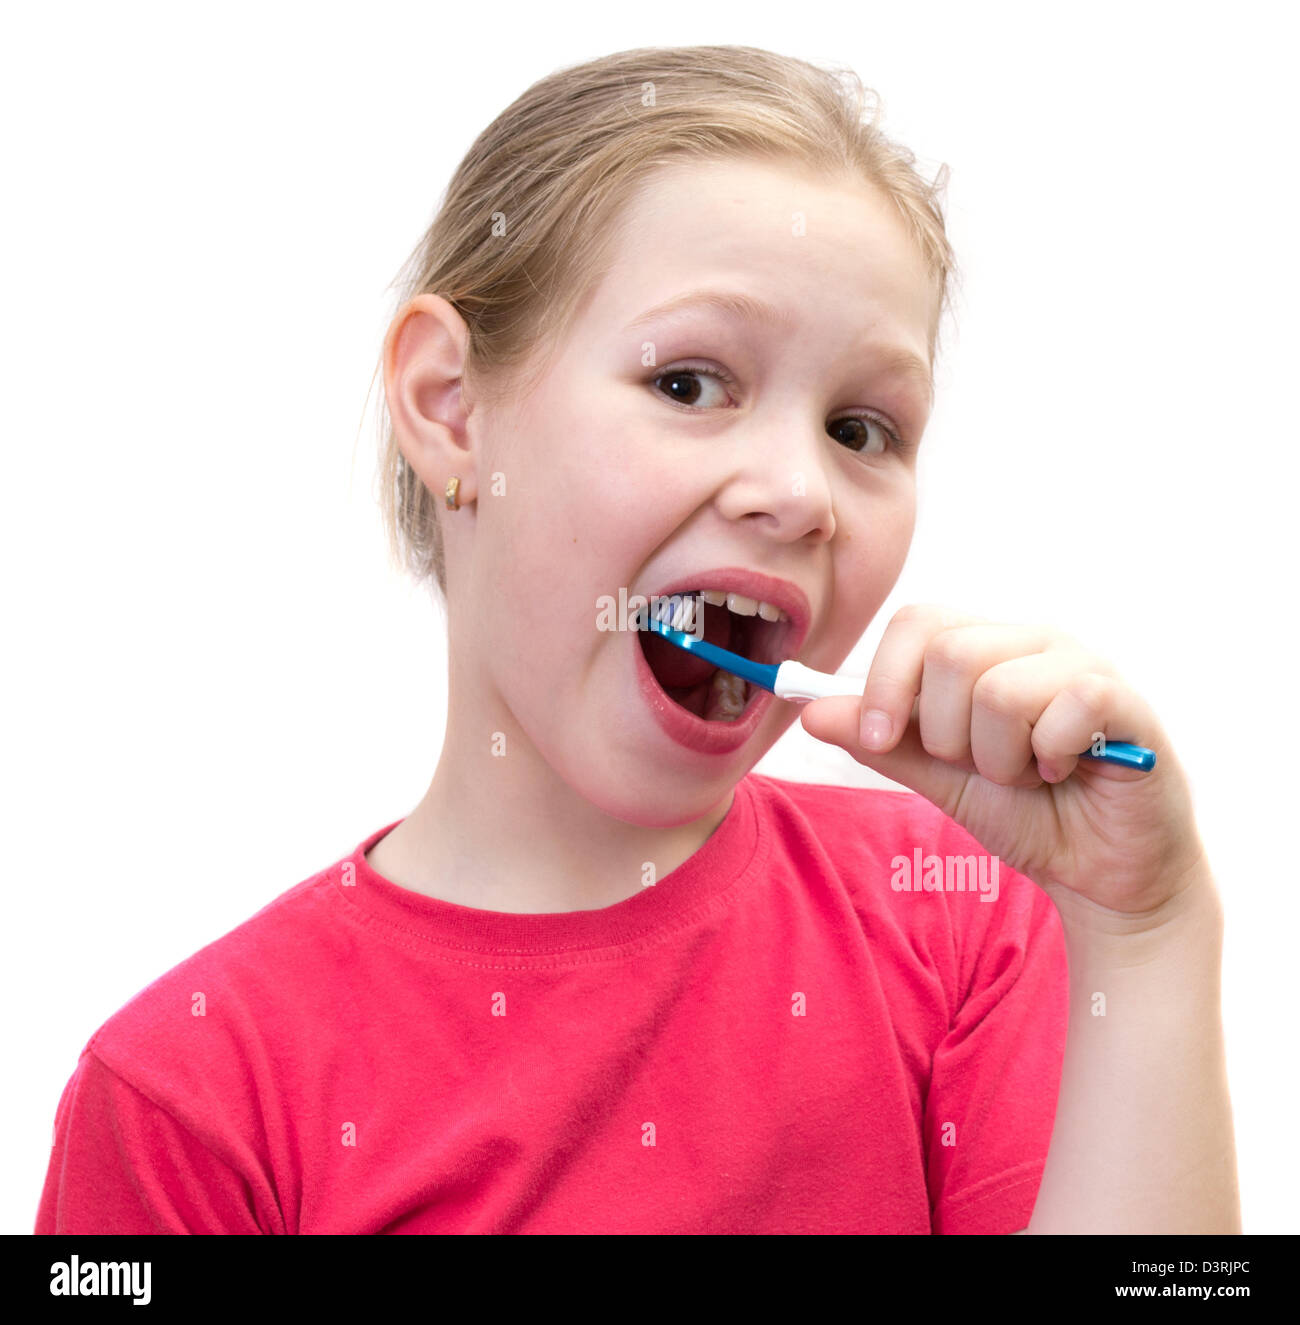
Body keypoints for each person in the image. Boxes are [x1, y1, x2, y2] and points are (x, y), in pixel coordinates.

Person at [35, 44, 1238, 1235]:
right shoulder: (185, 1101)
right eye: (689, 384)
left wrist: (1144, 936)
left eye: (861, 428)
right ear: (452, 409)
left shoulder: (964, 921)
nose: (800, 491)